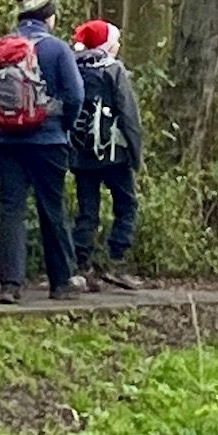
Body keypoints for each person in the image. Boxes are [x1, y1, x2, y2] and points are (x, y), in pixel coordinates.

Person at [0, 0, 84, 303]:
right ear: (48, 17)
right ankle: (61, 283)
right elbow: (75, 95)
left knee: (11, 209)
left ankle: (11, 285)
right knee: (52, 207)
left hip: (7, 142)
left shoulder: (0, 48)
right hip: (49, 140)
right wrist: (63, 124)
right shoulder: (57, 49)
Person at [67, 19, 145, 291]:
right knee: (126, 205)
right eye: (115, 41)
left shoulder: (73, 67)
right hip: (115, 153)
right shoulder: (114, 70)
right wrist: (136, 154)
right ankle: (116, 260)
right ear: (108, 45)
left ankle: (80, 266)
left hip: (81, 154)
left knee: (87, 211)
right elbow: (128, 114)